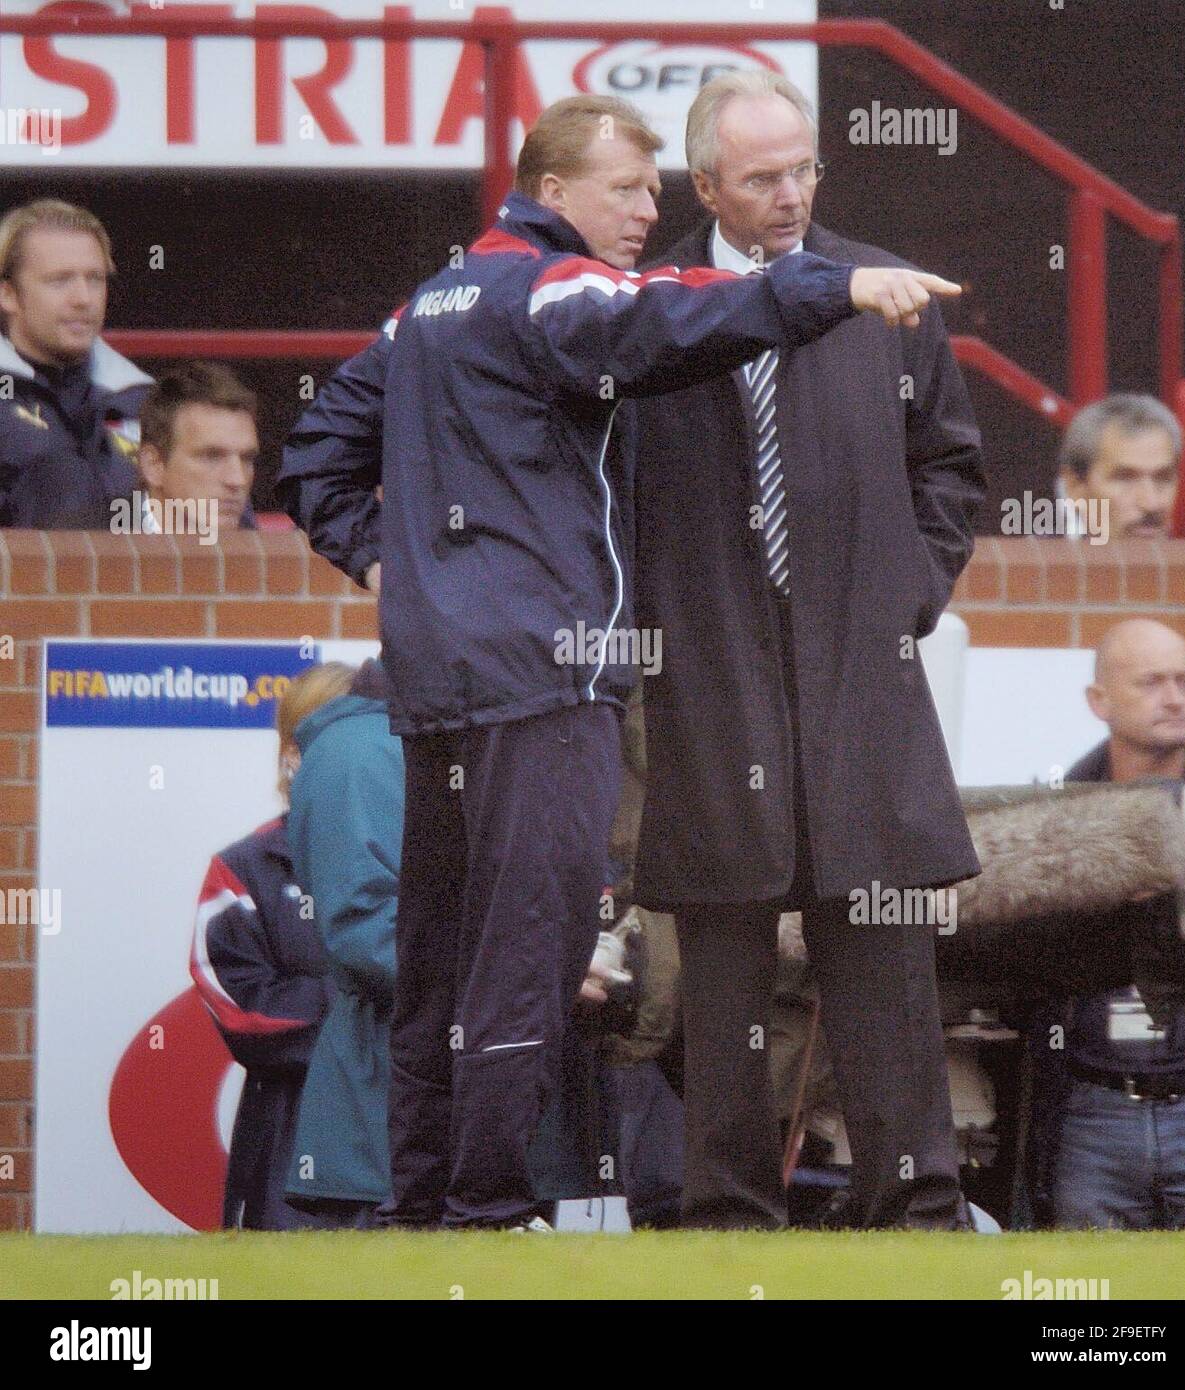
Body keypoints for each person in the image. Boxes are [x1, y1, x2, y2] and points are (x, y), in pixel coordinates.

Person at [280, 93, 962, 1231]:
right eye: (627, 189)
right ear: (558, 193)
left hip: (469, 677)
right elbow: (670, 326)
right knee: (535, 948)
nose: (646, 210)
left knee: (447, 950)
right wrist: (828, 290)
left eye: (653, 189)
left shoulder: (432, 304)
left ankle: (427, 1205)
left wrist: (380, 563)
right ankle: (499, 1211)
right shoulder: (576, 289)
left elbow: (313, 451)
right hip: (576, 673)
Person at [628, 71, 985, 1230]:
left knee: (886, 983)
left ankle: (915, 1216)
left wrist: (902, 601)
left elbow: (950, 468)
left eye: (804, 170)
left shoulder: (889, 295)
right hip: (707, 689)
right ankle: (726, 1222)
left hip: (859, 691)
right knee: (723, 991)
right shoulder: (647, 308)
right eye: (761, 178)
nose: (790, 195)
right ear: (704, 186)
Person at [1037, 619, 1185, 1229]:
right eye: (1151, 683)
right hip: (1089, 1114)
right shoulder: (1055, 816)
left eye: (1184, 682)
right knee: (1087, 1290)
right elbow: (1027, 970)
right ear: (1099, 701)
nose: (1175, 698)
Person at [188, 661, 353, 1229]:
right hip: (286, 1145)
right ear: (291, 755)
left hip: (407, 1144)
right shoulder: (246, 868)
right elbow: (242, 1008)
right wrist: (367, 1010)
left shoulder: (429, 863)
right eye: (330, 742)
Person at [283, 658, 402, 1228]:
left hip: (419, 1092)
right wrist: (523, 974)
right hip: (377, 1092)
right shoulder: (357, 756)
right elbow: (366, 934)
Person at [0, 198, 152, 527]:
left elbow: (219, 526)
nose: (83, 299)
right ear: (8, 294)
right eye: (60, 280)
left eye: (95, 279)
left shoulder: (148, 401)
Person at [127, 362, 260, 537]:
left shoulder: (265, 549)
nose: (238, 479)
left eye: (246, 459)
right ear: (153, 464)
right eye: (212, 457)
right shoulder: (98, 542)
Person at [1058, 394, 1183, 540]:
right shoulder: (1037, 554)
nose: (1150, 504)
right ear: (1075, 487)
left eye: (1163, 479)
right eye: (1125, 478)